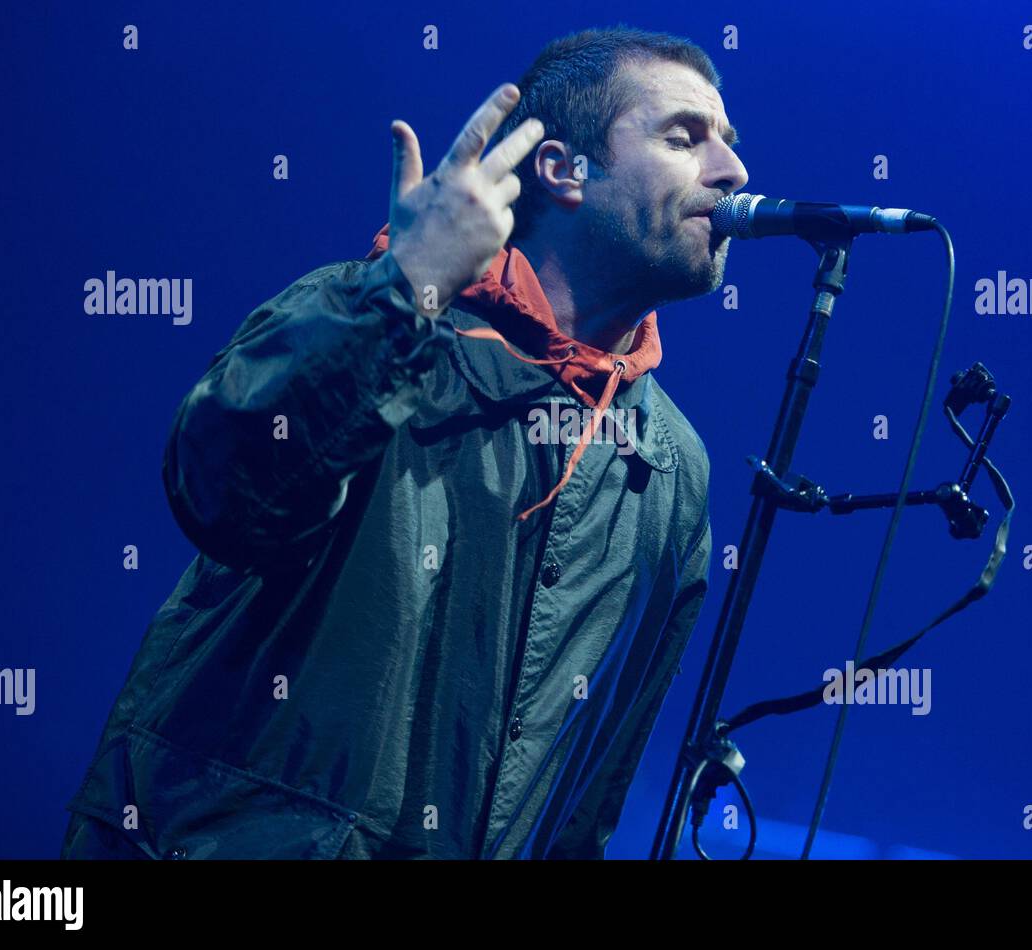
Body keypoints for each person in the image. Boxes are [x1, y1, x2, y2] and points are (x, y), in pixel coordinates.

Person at [60, 24, 748, 860]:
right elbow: (222, 493)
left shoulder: (671, 464)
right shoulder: (368, 317)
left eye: (728, 142)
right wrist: (407, 287)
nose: (732, 170)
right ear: (565, 170)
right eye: (687, 136)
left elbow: (590, 790)